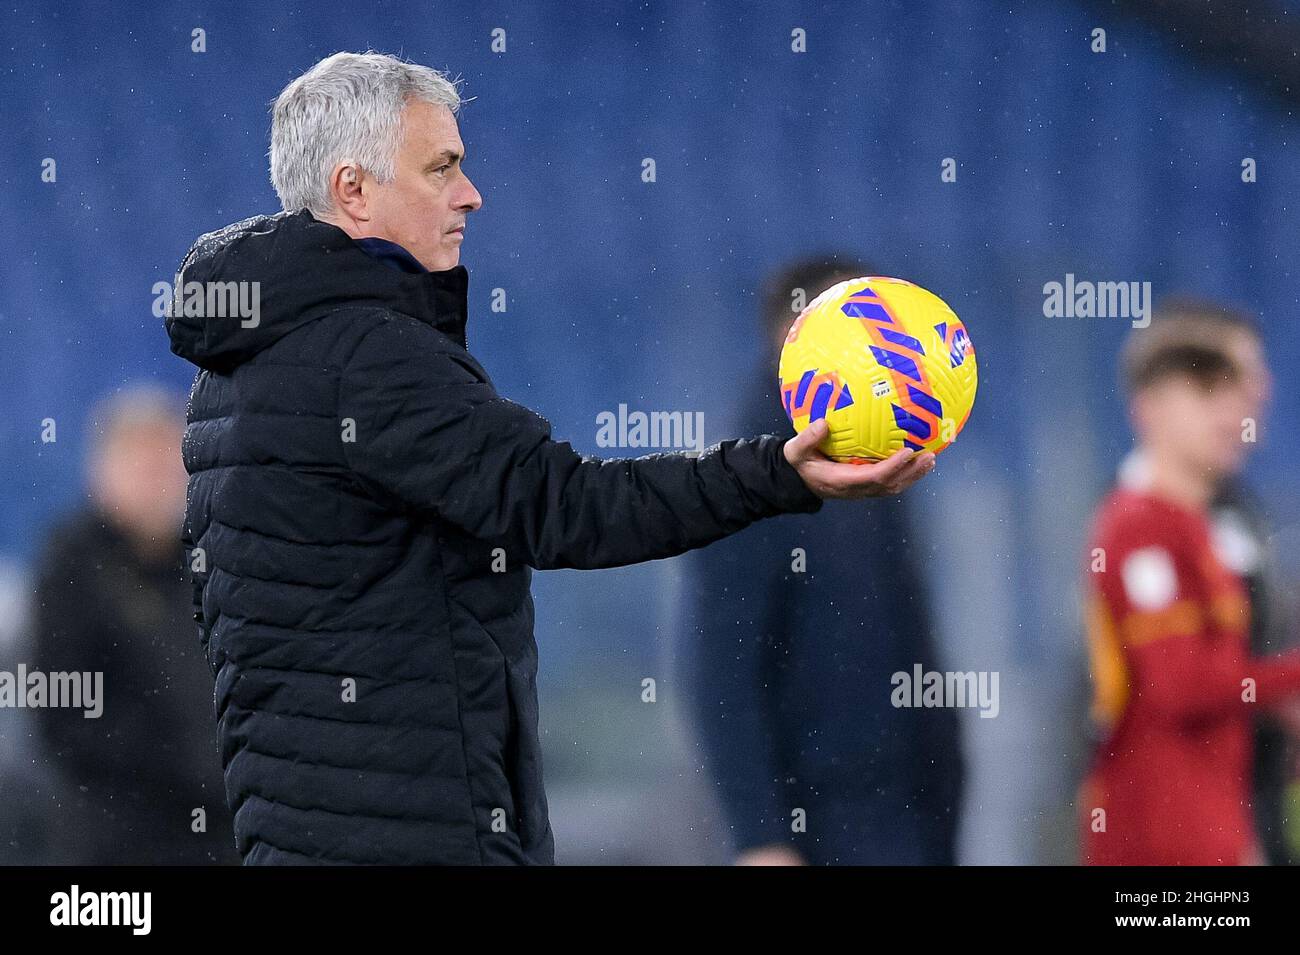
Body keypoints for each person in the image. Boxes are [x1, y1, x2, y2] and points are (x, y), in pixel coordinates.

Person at [164, 52, 935, 865]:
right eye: (443, 168)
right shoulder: (366, 356)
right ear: (354, 190)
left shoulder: (234, 369)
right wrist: (777, 471)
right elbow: (569, 505)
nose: (471, 194)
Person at [683, 256, 964, 864]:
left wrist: (946, 786)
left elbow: (910, 633)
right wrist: (761, 837)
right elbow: (720, 665)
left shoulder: (872, 448)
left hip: (908, 807)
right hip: (823, 821)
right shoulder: (748, 478)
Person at [1080, 303, 1300, 865]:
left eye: (1246, 395)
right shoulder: (1135, 526)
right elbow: (1180, 686)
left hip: (1214, 827)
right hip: (1155, 836)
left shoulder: (1210, 523)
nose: (1238, 415)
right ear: (1149, 406)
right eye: (1210, 393)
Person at [30, 385, 237, 864]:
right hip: (118, 838)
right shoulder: (70, 567)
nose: (158, 481)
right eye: (142, 466)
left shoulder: (205, 558)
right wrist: (186, 764)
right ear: (101, 471)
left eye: (167, 464)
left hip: (218, 832)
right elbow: (64, 716)